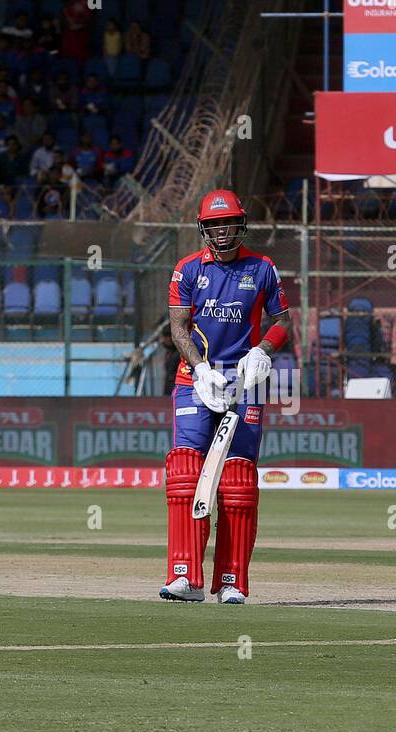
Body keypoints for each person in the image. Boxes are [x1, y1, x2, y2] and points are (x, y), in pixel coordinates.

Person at [161, 190, 292, 604]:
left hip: (246, 381)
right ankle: (185, 577)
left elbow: (283, 322)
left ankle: (231, 581)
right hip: (195, 381)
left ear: (241, 224)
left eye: (228, 223)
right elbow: (179, 328)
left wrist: (263, 351)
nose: (221, 231)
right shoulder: (187, 270)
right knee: (185, 472)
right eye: (214, 224)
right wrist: (200, 368)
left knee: (237, 478)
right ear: (204, 227)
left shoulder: (263, 267)